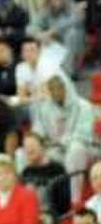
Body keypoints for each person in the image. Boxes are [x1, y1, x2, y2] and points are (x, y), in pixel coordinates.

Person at [31, 72, 100, 205]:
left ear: (67, 87)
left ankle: (75, 200)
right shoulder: (45, 109)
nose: (56, 92)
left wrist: (62, 143)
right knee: (25, 152)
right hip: (57, 150)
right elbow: (38, 131)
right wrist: (37, 142)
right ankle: (39, 201)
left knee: (76, 150)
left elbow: (84, 135)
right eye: (52, 88)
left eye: (59, 87)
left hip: (88, 149)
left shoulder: (83, 106)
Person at [32, 0, 85, 75]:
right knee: (41, 40)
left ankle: (67, 71)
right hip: (55, 41)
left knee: (72, 34)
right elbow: (32, 26)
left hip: (75, 41)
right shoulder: (46, 10)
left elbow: (76, 20)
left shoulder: (72, 6)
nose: (55, 1)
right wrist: (40, 35)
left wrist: (53, 31)